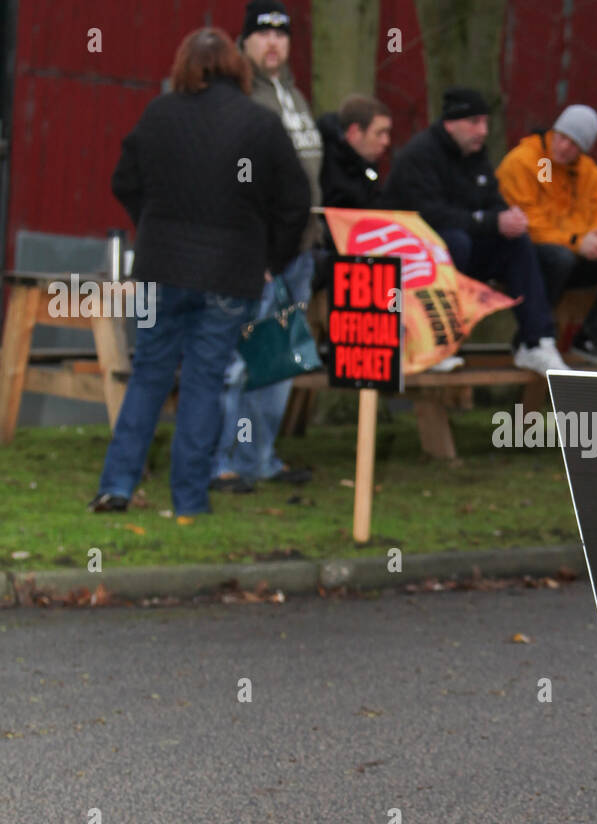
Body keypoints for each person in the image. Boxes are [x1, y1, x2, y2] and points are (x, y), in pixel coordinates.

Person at [90, 27, 308, 516]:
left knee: (148, 374)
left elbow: (124, 180)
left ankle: (116, 486)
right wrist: (271, 259)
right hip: (228, 272)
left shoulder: (158, 115)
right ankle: (189, 499)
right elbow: (295, 202)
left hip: (158, 266)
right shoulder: (260, 123)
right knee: (204, 383)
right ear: (237, 67)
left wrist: (152, 224)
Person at [211, 0, 324, 493]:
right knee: (233, 362)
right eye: (263, 34)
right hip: (253, 254)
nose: (273, 43)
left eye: (282, 35)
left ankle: (259, 458)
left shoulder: (293, 95)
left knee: (276, 360)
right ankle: (219, 462)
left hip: (297, 250)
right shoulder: (239, 95)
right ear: (244, 42)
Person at [383, 86, 568, 374]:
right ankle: (433, 342)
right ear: (450, 122)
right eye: (474, 122)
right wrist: (491, 222)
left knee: (517, 243)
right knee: (453, 241)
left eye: (485, 122)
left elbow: (491, 201)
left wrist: (508, 217)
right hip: (414, 259)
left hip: (465, 255)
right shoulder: (419, 156)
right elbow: (429, 216)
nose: (482, 130)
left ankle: (536, 342)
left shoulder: (477, 155)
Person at [495, 104, 597, 365]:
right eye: (562, 138)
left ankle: (594, 337)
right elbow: (528, 222)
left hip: (576, 253)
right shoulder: (525, 162)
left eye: (574, 144)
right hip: (531, 257)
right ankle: (533, 336)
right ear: (554, 131)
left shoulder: (588, 171)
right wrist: (576, 242)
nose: (564, 148)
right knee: (559, 257)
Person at [316, 93, 391, 210]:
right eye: (379, 133)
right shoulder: (324, 165)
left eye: (387, 133)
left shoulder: (365, 161)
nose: (386, 141)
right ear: (354, 132)